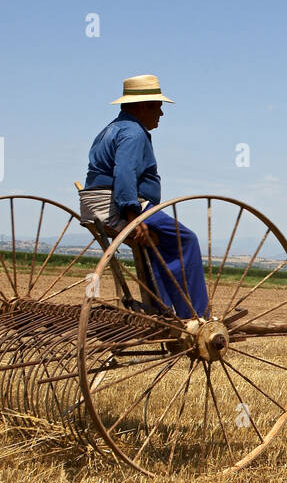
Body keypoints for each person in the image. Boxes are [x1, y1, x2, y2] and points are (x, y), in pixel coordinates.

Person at [79, 75, 208, 318]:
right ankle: (196, 316)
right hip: (122, 204)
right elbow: (125, 172)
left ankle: (164, 309)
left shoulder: (110, 129)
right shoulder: (133, 133)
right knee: (186, 240)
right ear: (142, 106)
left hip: (93, 204)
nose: (161, 114)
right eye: (157, 107)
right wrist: (132, 216)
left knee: (157, 243)